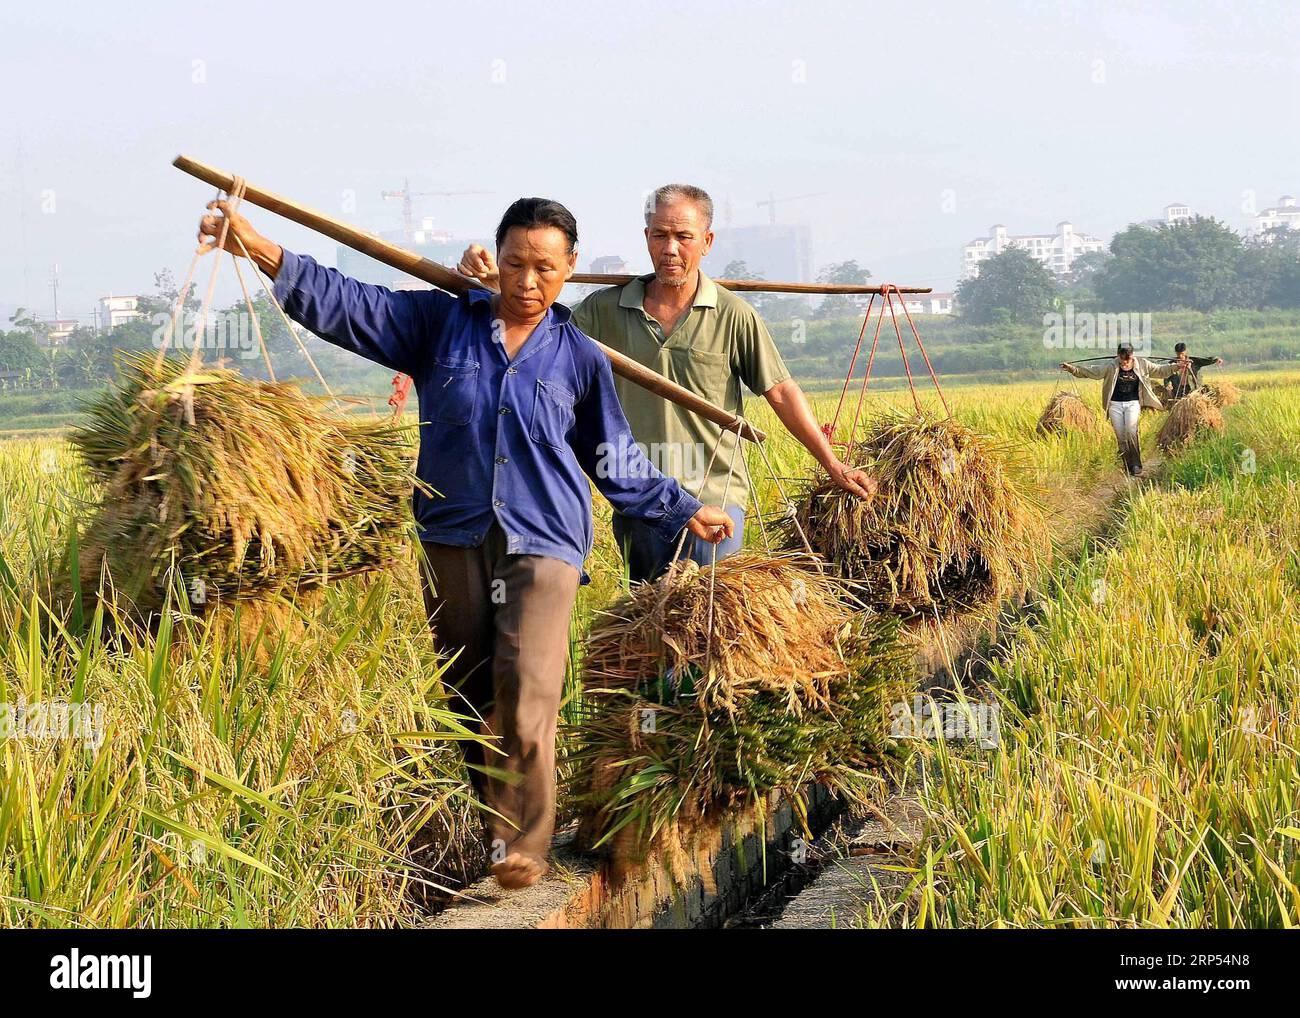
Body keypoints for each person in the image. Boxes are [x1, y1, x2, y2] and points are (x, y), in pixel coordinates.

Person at [197, 195, 734, 890]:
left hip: (544, 541)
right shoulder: (439, 326)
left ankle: (524, 844)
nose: (528, 281)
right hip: (452, 535)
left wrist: (683, 507)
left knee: (528, 687)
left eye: (546, 267)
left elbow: (613, 456)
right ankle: (496, 833)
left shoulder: (578, 358)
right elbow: (351, 303)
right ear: (497, 259)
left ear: (570, 269)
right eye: (515, 264)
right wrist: (259, 248)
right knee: (469, 695)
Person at [459, 183, 875, 583]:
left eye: (683, 236)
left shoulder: (733, 315)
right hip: (642, 500)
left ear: (707, 242)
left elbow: (780, 391)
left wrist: (832, 463)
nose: (670, 248)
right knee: (649, 634)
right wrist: (502, 283)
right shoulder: (604, 311)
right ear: (646, 238)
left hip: (714, 497)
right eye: (659, 235)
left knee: (710, 630)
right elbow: (539, 335)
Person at [1061, 342, 1179, 476]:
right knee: (1121, 436)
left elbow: (1160, 370)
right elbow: (1093, 372)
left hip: (1133, 403)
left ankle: (1136, 464)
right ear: (1118, 356)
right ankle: (1127, 465)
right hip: (1114, 404)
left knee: (1131, 430)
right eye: (1122, 360)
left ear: (1132, 356)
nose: (1125, 363)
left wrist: (1177, 366)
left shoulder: (1142, 364)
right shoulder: (1111, 366)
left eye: (1127, 360)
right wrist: (1072, 369)